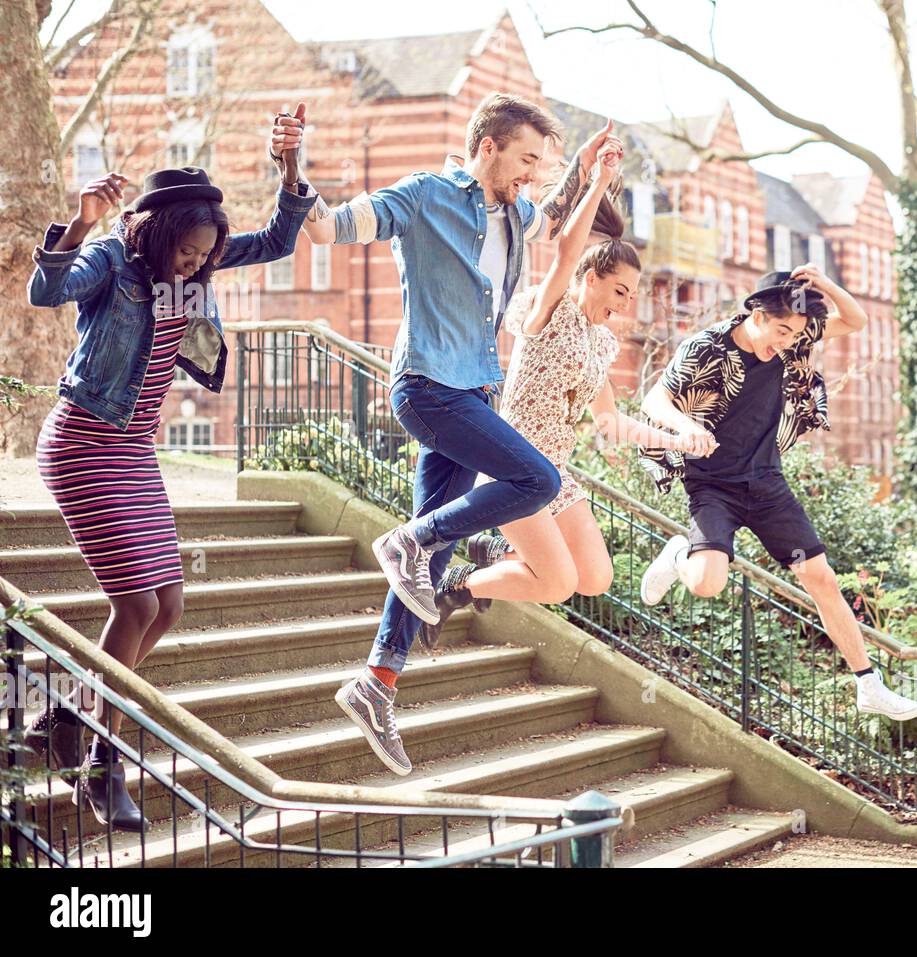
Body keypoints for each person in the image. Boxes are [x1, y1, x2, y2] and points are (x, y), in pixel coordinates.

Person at [290, 92, 623, 775]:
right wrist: (293, 163)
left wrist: (587, 176)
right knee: (537, 479)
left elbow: (557, 225)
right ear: (488, 147)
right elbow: (326, 228)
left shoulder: (514, 211)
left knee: (431, 562)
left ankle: (376, 683)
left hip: (471, 390)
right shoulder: (422, 195)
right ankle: (406, 541)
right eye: (525, 158)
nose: (532, 172)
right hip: (427, 388)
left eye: (541, 162)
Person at [24, 114, 318, 829]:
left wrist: (290, 169)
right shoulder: (110, 264)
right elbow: (45, 292)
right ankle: (100, 762)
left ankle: (65, 712)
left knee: (171, 604)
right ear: (157, 234)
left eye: (205, 255)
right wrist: (79, 222)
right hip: (82, 445)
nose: (194, 265)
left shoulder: (203, 262)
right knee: (136, 607)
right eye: (186, 252)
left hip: (134, 451)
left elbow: (279, 240)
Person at [422, 135, 713, 633]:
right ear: (590, 277)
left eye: (632, 296)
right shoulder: (548, 312)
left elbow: (609, 421)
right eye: (619, 290)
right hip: (512, 466)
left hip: (555, 471)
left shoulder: (603, 344)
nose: (624, 304)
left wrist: (676, 441)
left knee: (596, 578)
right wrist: (598, 180)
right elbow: (564, 253)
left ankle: (494, 551)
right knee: (555, 583)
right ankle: (459, 584)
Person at [637, 268, 917, 720]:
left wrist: (825, 286)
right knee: (708, 583)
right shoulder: (707, 347)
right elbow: (654, 401)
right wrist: (688, 428)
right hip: (712, 484)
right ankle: (679, 556)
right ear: (756, 313)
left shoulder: (796, 340)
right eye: (781, 330)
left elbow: (856, 320)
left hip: (767, 481)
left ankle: (868, 683)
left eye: (796, 333)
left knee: (821, 578)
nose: (788, 342)